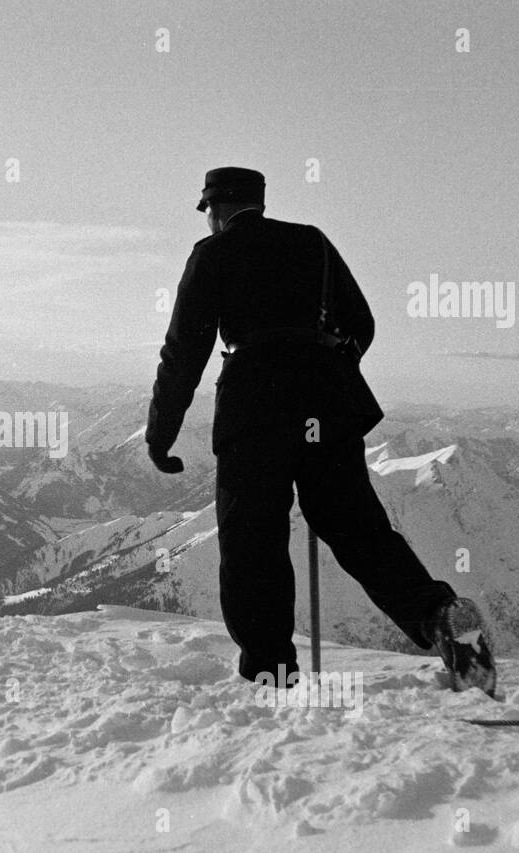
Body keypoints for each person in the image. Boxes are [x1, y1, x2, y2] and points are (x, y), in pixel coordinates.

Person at [145, 166, 496, 696]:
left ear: (215, 209)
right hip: (328, 405)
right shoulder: (313, 242)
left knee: (252, 541)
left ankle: (270, 673)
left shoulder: (212, 254)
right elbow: (362, 323)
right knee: (358, 528)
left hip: (253, 408)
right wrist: (326, 363)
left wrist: (160, 432)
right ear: (260, 202)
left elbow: (184, 350)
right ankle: (437, 615)